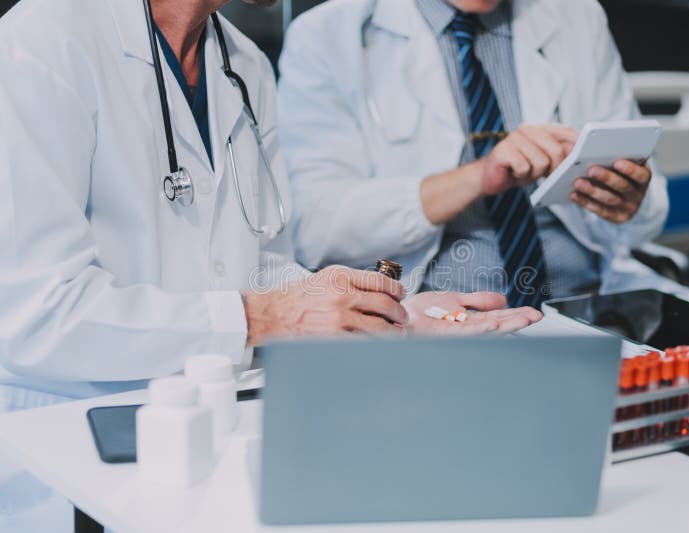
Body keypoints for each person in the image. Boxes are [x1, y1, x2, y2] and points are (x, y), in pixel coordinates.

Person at [0, 0, 539, 528]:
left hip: (215, 438)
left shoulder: (244, 64)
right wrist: (261, 317)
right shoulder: (42, 42)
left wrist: (384, 315)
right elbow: (35, 314)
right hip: (70, 461)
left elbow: (264, 268)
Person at [278, 0, 683, 310]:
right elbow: (315, 230)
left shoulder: (576, 16)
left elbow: (646, 217)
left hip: (586, 305)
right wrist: (476, 177)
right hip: (435, 317)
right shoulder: (328, 36)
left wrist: (627, 199)